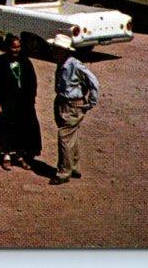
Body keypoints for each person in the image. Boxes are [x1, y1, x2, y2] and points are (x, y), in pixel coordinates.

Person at [47, 34, 100, 185]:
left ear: (64, 50)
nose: (53, 51)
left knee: (64, 136)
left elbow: (94, 82)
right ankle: (73, 166)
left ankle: (64, 172)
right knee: (71, 136)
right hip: (63, 102)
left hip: (72, 105)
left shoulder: (75, 65)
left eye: (56, 49)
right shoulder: (62, 63)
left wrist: (91, 102)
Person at [0, 34, 41, 170]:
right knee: (6, 127)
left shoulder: (25, 61)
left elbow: (32, 82)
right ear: (8, 47)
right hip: (7, 102)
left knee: (21, 128)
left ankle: (19, 155)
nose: (16, 50)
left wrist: (31, 99)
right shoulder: (0, 63)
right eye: (13, 47)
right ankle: (6, 155)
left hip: (23, 103)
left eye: (18, 47)